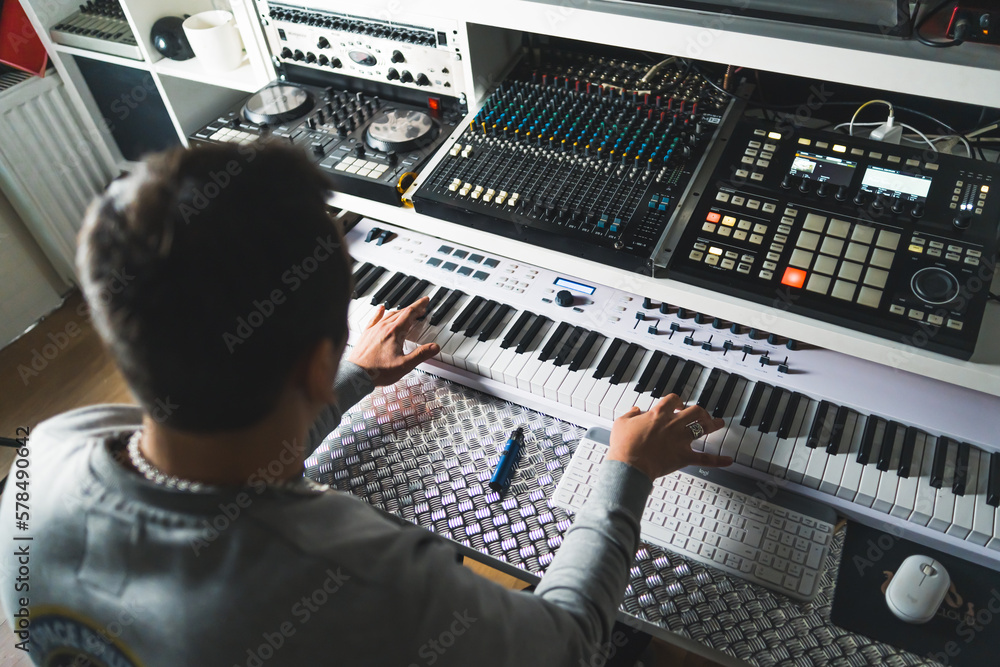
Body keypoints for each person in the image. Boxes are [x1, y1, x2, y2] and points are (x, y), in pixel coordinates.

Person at [0, 143, 731, 667]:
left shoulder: (49, 454)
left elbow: (217, 435)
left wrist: (347, 377)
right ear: (314, 362)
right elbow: (569, 642)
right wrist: (624, 474)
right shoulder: (368, 581)